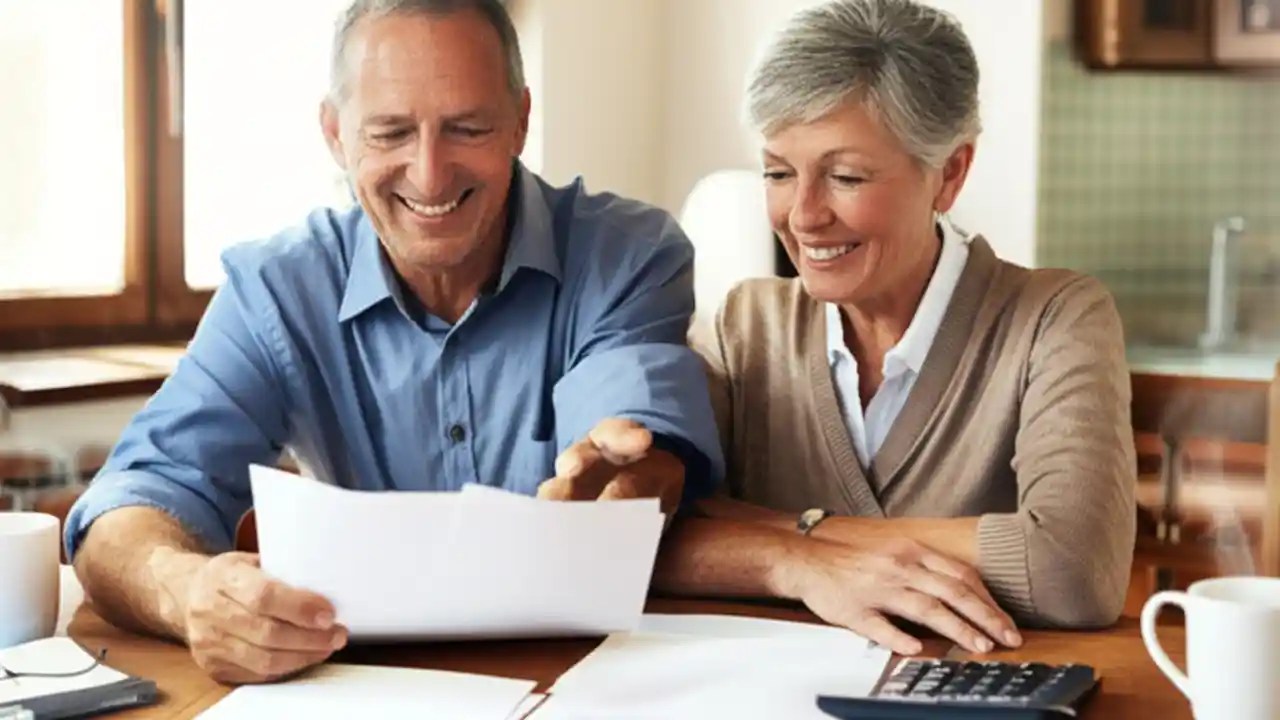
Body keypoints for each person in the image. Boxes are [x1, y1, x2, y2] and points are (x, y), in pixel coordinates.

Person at [66, 0, 722, 685]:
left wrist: (631, 478)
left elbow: (627, 456)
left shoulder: (628, 255)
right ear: (334, 133)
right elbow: (134, 497)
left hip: (591, 681)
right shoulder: (276, 290)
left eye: (468, 128)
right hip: (354, 687)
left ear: (521, 121)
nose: (430, 174)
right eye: (390, 133)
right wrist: (185, 591)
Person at [653, 0, 1136, 656]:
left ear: (950, 174)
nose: (804, 215)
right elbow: (639, 538)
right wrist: (794, 564)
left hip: (972, 691)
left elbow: (1073, 568)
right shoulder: (745, 327)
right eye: (778, 173)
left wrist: (785, 526)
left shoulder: (1054, 319)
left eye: (845, 176)